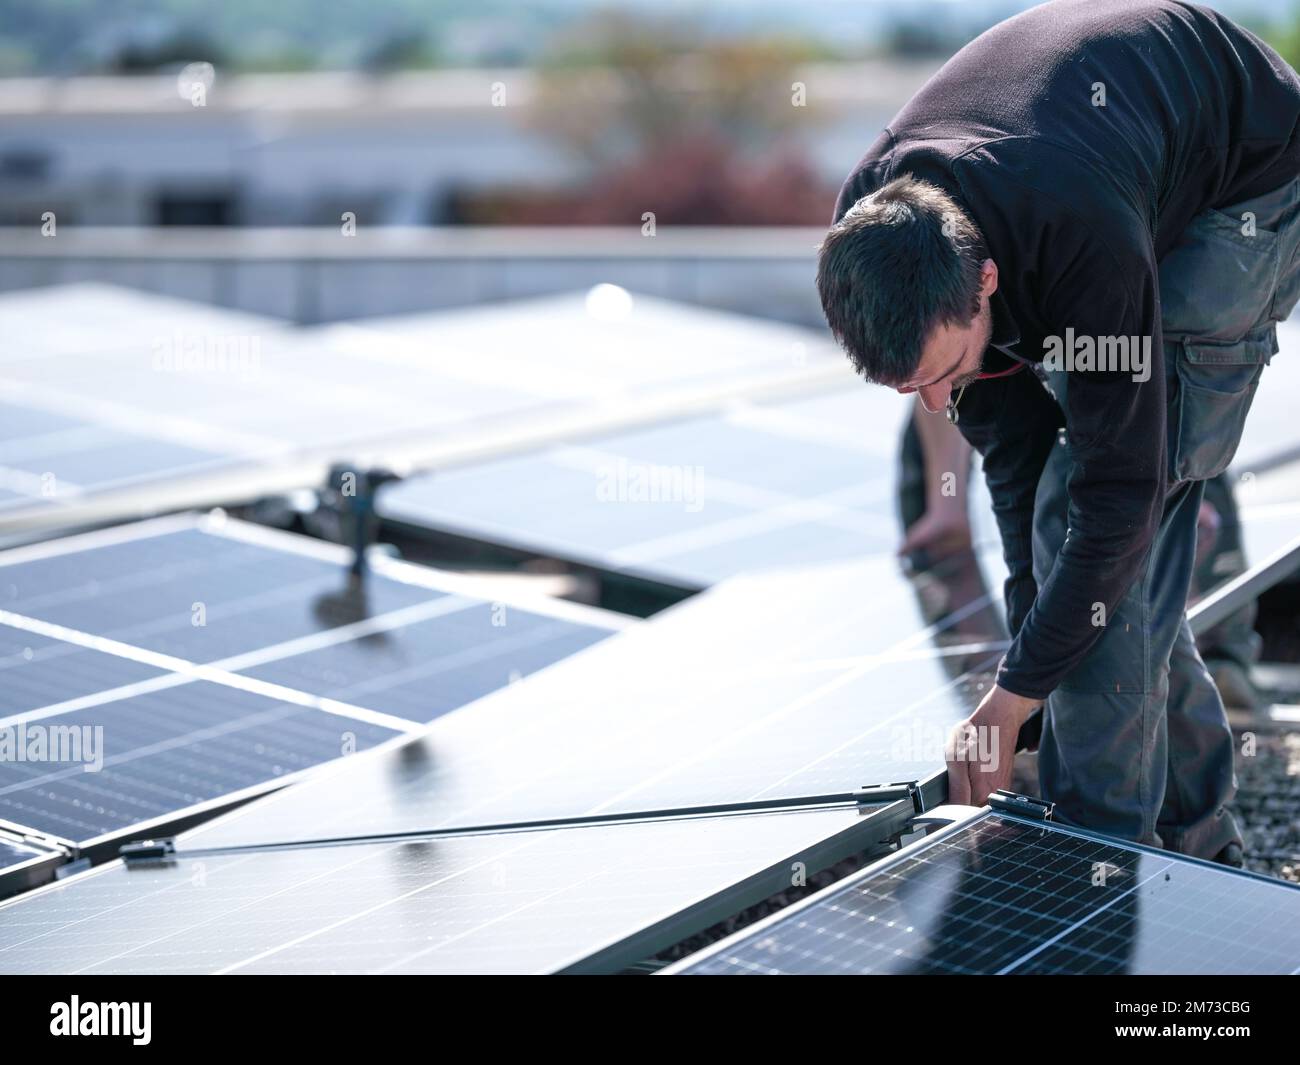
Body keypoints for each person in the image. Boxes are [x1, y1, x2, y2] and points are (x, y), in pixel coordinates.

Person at [818, 0, 1300, 864]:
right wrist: (1026, 679)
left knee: (1113, 530)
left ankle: (1093, 862)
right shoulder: (879, 238)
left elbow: (1120, 495)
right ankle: (1203, 843)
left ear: (989, 280)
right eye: (910, 387)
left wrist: (1010, 702)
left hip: (1249, 181)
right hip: (1123, 158)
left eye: (941, 373)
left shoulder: (1078, 233)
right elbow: (1013, 461)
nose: (936, 407)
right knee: (1084, 555)